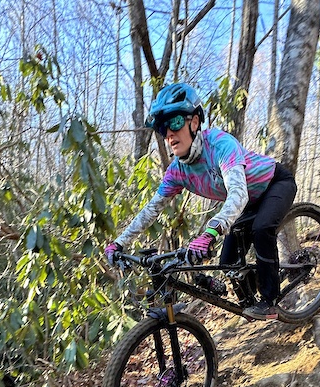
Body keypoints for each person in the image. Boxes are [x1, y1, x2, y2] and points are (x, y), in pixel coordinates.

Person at [105, 83, 297, 320]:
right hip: (247, 204)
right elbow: (152, 209)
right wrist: (120, 243)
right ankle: (254, 294)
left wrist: (209, 233)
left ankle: (270, 301)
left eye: (174, 122)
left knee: (262, 229)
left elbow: (238, 193)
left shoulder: (219, 144)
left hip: (275, 184)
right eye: (163, 129)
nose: (169, 134)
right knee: (228, 263)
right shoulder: (177, 171)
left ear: (194, 122)